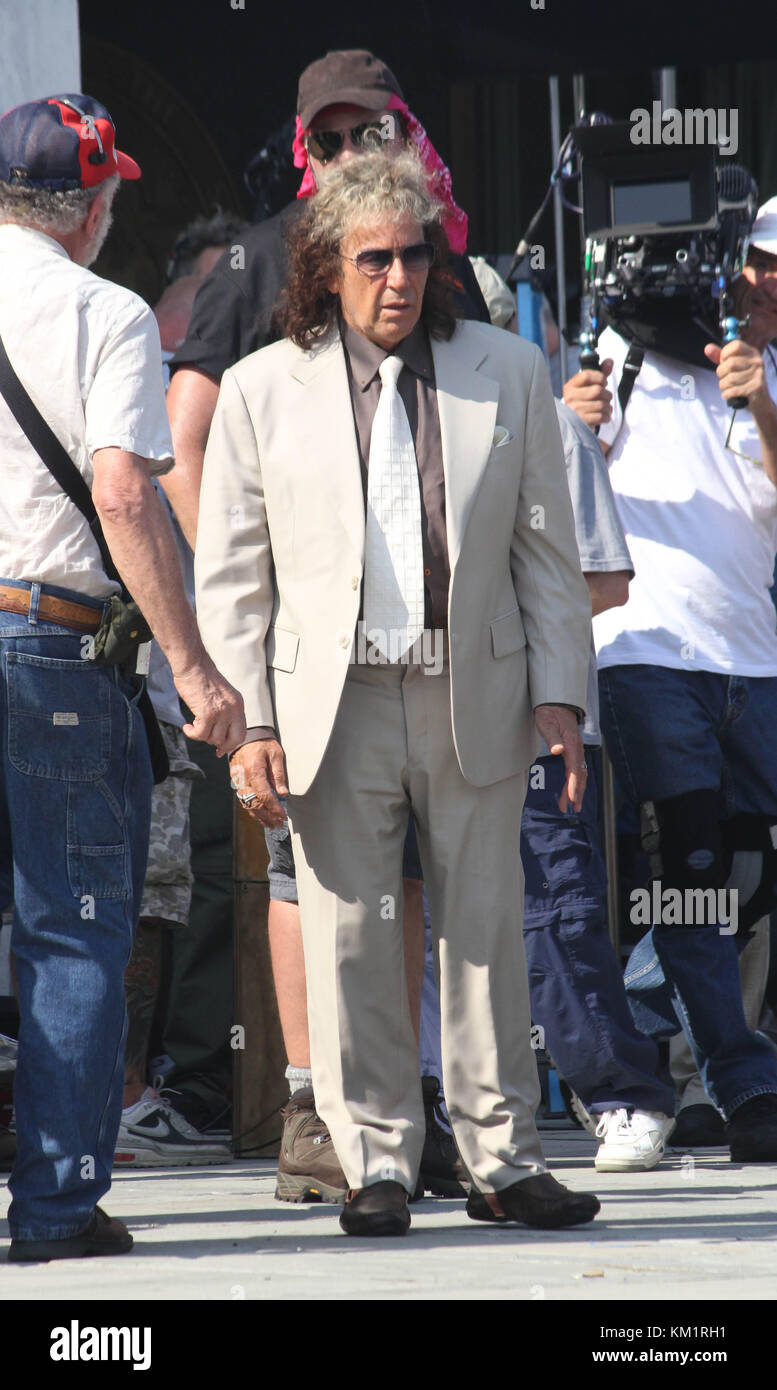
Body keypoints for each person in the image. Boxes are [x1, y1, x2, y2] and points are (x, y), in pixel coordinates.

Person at [195, 149, 600, 1236]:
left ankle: (503, 1160)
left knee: (485, 928)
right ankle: (374, 1160)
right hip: (337, 698)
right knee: (350, 935)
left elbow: (547, 558)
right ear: (327, 264)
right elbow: (234, 576)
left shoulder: (508, 371)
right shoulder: (257, 388)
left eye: (415, 255)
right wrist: (253, 726)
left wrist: (562, 696)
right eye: (372, 258)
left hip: (479, 687)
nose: (398, 278)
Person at [166, 48, 488, 1202]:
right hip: (312, 659)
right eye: (334, 136)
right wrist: (243, 625)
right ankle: (309, 1101)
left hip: (433, 657)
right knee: (307, 883)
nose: (356, 152)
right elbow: (185, 445)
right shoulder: (263, 255)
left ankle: (401, 1106)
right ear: (303, 146)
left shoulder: (440, 255)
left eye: (375, 130)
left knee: (406, 883)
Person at [0, 94, 244, 1262]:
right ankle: (52, 1208)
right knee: (73, 928)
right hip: (54, 648)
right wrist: (195, 668)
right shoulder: (108, 312)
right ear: (93, 206)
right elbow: (127, 491)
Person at [563, 192, 777, 1162]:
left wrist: (760, 397)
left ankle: (677, 1037)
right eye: (758, 261)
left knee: (749, 869)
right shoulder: (615, 353)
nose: (766, 280)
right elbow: (561, 512)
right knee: (691, 864)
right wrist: (577, 426)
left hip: (755, 657)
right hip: (648, 652)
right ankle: (739, 1080)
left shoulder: (759, 369)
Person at [116, 212, 248, 1166]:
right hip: (161, 691)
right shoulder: (153, 374)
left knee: (183, 897)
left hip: (203, 688)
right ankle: (150, 1090)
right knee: (162, 896)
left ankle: (175, 1089)